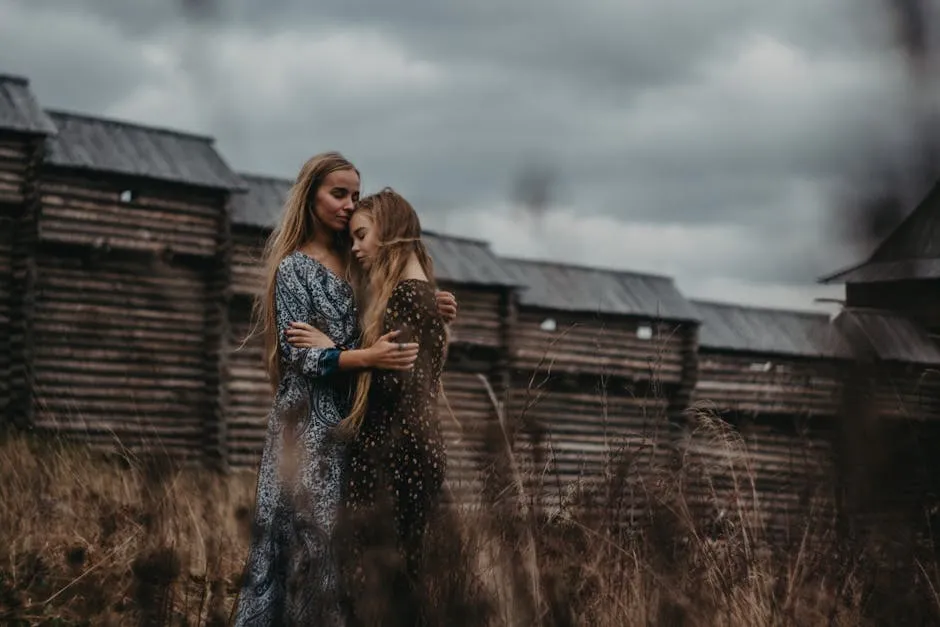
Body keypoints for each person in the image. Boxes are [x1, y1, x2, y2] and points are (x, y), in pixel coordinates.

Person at [233, 154, 457, 627]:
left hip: (355, 421)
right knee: (306, 550)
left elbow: (386, 308)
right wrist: (363, 357)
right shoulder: (295, 269)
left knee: (345, 556)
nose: (348, 204)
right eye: (339, 194)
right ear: (310, 195)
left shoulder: (358, 265)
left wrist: (427, 301)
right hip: (310, 424)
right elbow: (300, 356)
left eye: (355, 196)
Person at [286, 188, 453, 626]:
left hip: (393, 458)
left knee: (375, 591)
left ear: (391, 232)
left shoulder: (406, 301)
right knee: (398, 585)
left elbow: (390, 391)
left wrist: (333, 351)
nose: (355, 247)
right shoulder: (419, 298)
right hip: (411, 454)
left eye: (362, 235)